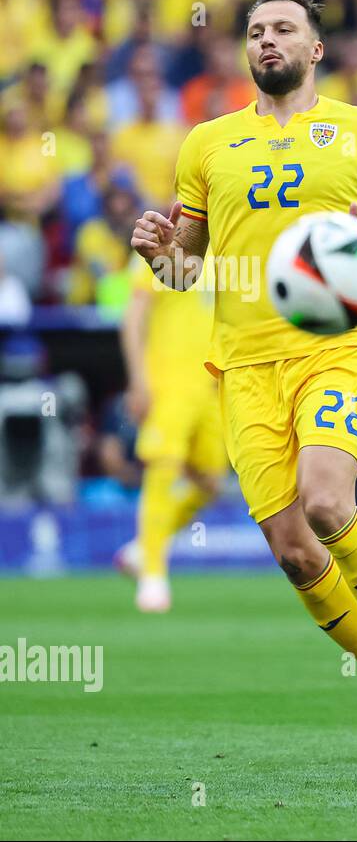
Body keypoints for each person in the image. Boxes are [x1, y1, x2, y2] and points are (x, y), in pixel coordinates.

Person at [128, 0, 357, 763]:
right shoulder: (207, 144)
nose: (266, 40)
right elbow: (185, 271)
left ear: (315, 48)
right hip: (244, 364)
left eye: (283, 28)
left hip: (335, 348)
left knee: (326, 502)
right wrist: (159, 256)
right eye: (255, 31)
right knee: (294, 552)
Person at [113, 260, 227, 612]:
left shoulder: (221, 252)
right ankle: (153, 574)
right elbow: (133, 318)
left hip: (210, 386)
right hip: (168, 384)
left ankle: (142, 549)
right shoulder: (161, 249)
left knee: (210, 481)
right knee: (163, 468)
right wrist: (138, 379)